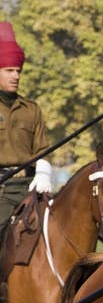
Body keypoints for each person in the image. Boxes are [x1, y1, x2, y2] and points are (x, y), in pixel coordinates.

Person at [0, 22, 52, 241]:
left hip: (30, 186)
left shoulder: (32, 109)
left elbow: (42, 149)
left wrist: (43, 173)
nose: (16, 76)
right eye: (9, 71)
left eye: (18, 71)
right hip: (2, 190)